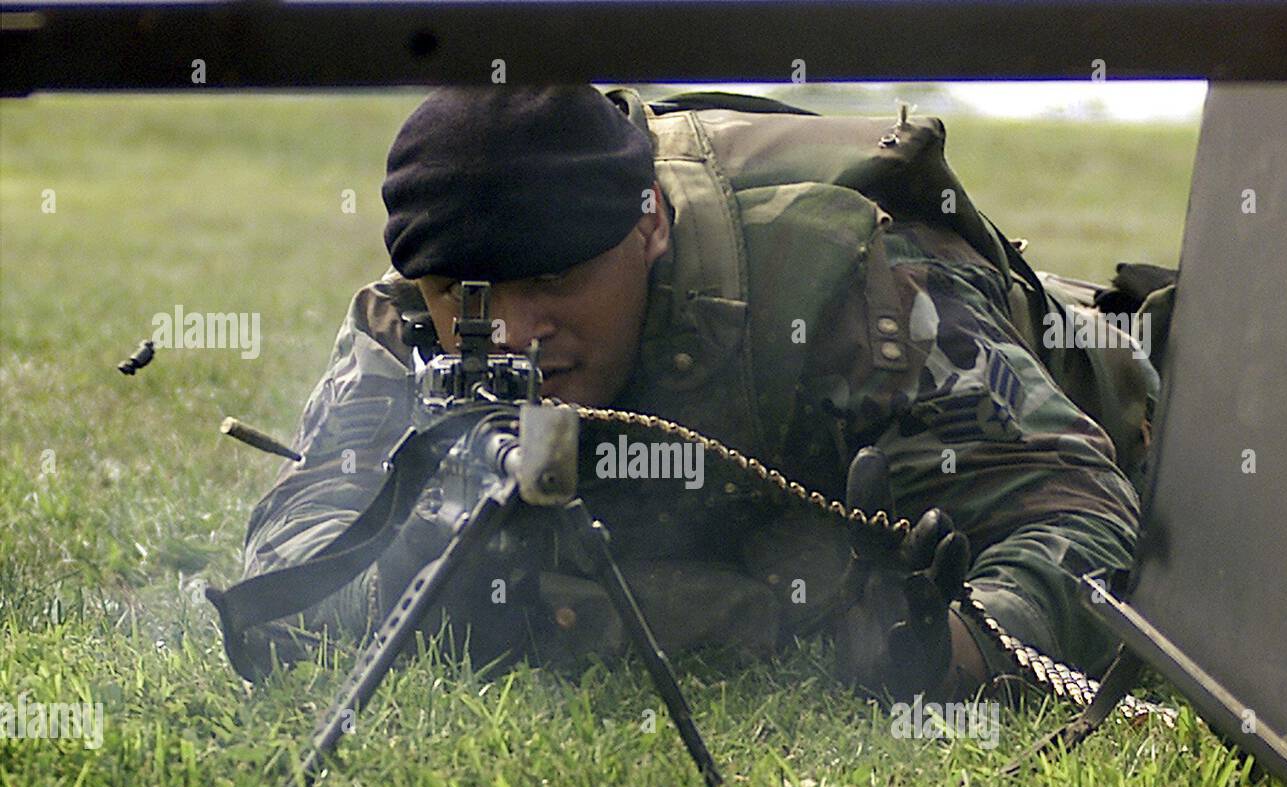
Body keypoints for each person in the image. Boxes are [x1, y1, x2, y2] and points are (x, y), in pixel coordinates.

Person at [228, 85, 1153, 703]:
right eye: (470, 296)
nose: (511, 333)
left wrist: (952, 648)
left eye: (553, 281)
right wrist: (412, 567)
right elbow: (301, 538)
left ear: (651, 227)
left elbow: (1075, 508)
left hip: (1097, 370)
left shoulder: (845, 284)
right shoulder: (419, 312)